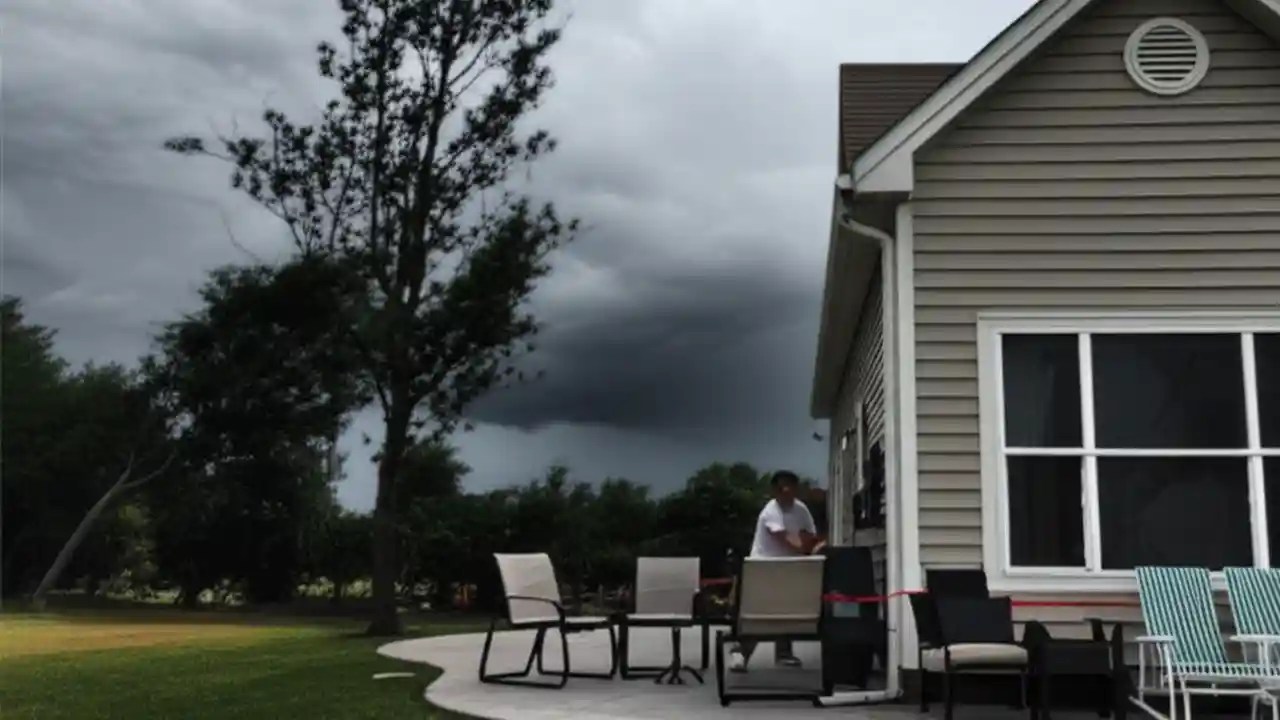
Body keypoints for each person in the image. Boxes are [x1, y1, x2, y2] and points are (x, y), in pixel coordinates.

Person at [728, 469, 817, 672]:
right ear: (774, 490)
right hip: (765, 568)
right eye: (781, 486)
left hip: (788, 568)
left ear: (795, 489)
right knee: (763, 615)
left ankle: (783, 653)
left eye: (789, 486)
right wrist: (805, 548)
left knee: (786, 612)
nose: (785, 490)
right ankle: (740, 653)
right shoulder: (771, 511)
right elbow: (786, 540)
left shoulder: (801, 509)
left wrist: (808, 544)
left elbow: (809, 534)